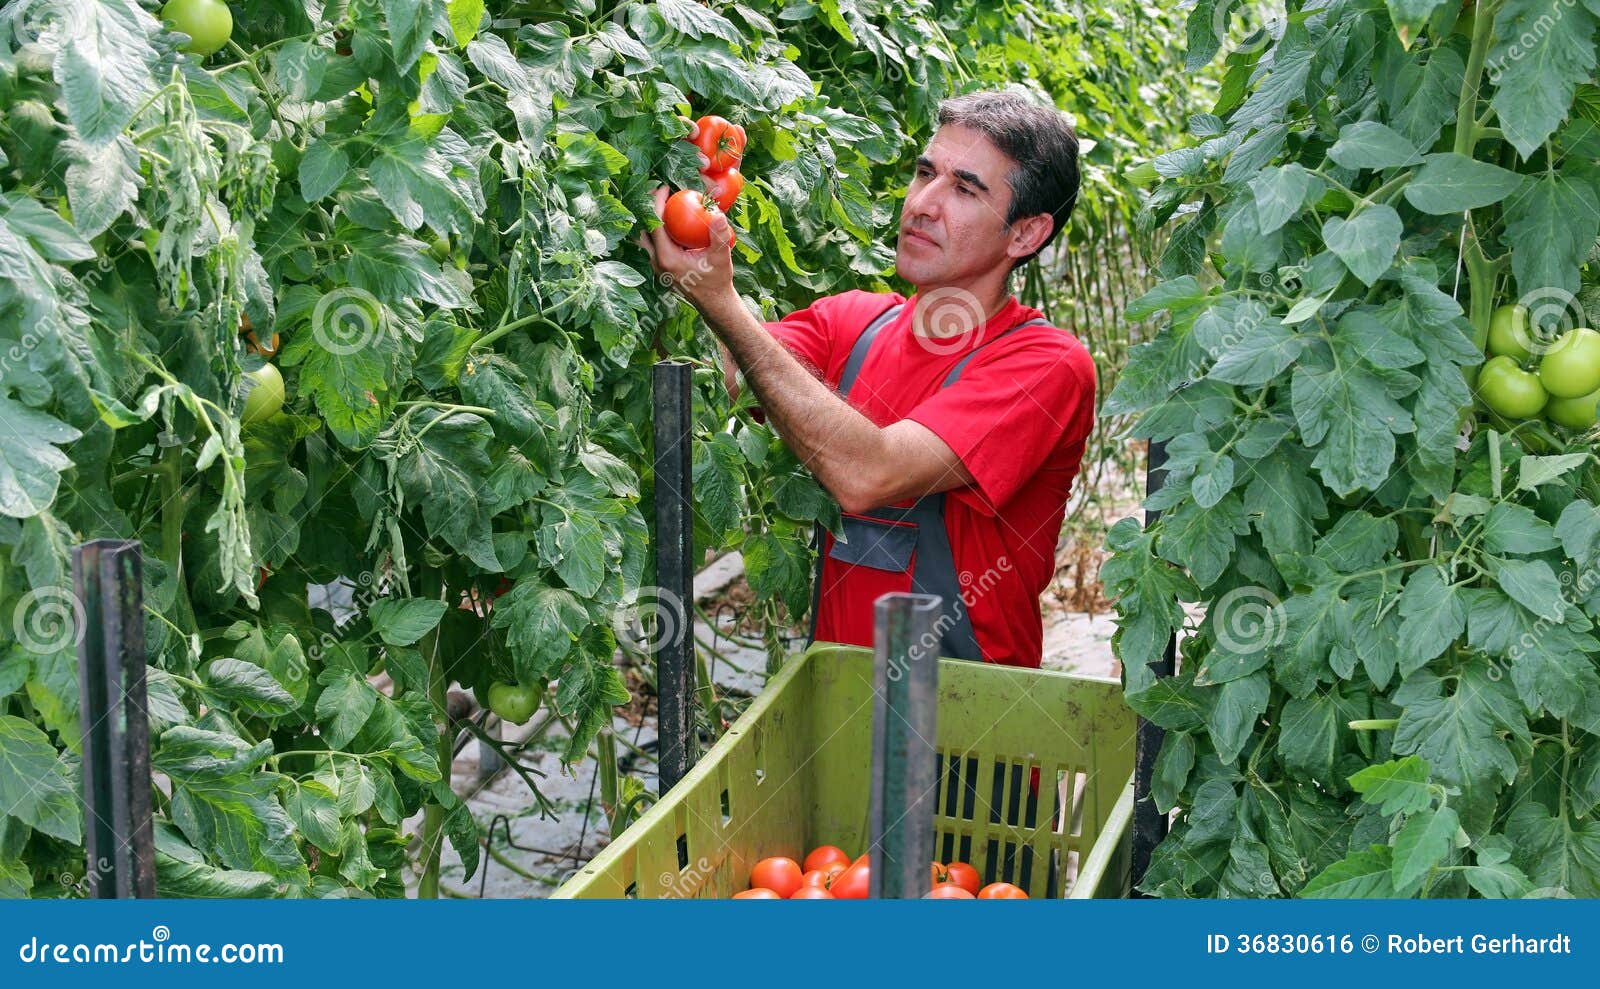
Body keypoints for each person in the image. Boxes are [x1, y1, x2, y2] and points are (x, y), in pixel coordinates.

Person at [640, 90, 1094, 669]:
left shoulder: (1044, 364)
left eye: (964, 189)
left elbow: (868, 473)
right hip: (839, 711)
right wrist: (673, 227)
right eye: (925, 172)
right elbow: (712, 384)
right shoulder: (853, 323)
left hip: (968, 725)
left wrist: (723, 304)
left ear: (1026, 235)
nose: (924, 204)